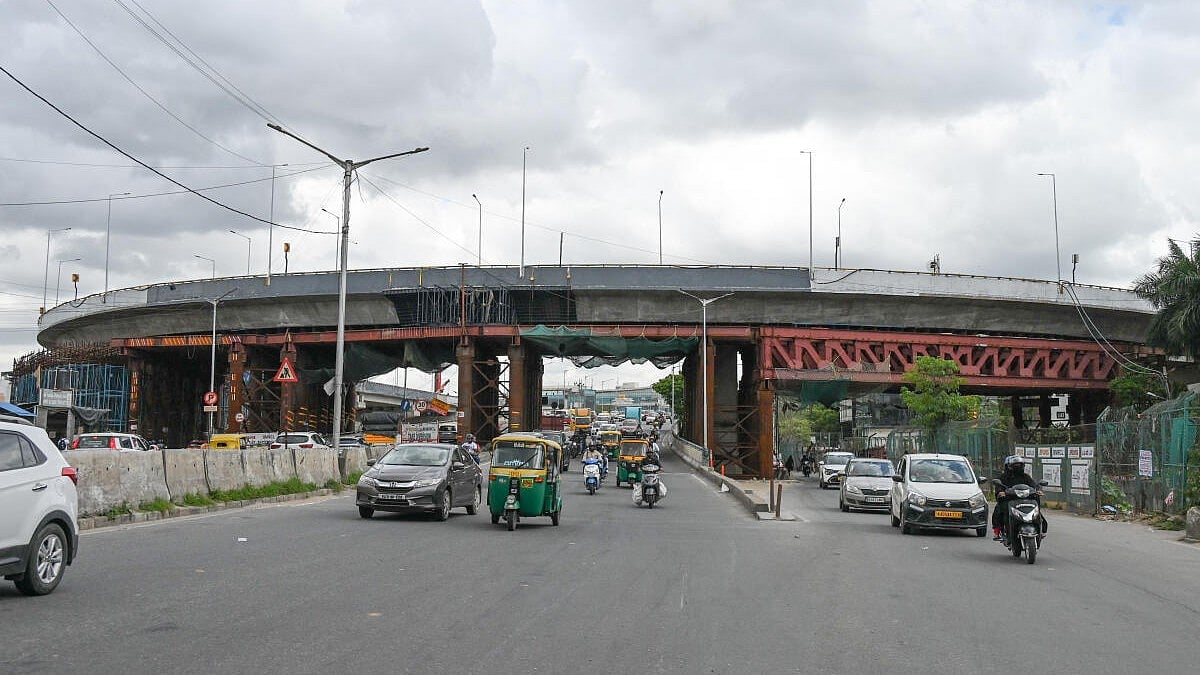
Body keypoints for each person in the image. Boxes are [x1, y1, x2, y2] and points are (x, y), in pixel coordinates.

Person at [992, 455, 1038, 540]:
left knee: (1037, 511)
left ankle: (1040, 528)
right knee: (999, 510)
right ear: (1008, 466)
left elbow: (1033, 485)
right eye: (1015, 465)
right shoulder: (1004, 477)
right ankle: (997, 531)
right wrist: (1000, 492)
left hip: (1025, 499)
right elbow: (999, 487)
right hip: (1009, 500)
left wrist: (1037, 490)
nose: (1017, 467)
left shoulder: (1025, 477)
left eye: (1019, 465)